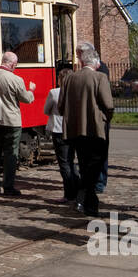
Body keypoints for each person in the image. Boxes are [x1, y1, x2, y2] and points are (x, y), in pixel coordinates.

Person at [61, 46, 113, 216]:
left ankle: (88, 202)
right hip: (95, 129)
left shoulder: (68, 78)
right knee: (95, 166)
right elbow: (108, 104)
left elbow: (61, 106)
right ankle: (85, 199)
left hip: (75, 130)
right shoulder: (100, 77)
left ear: (82, 62)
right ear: (95, 63)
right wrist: (105, 118)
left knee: (84, 165)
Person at [0, 51, 36, 196]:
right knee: (11, 154)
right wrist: (31, 90)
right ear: (13, 64)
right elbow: (26, 99)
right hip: (11, 120)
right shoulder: (15, 79)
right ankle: (8, 186)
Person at [76, 42, 111, 193]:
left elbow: (106, 101)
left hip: (97, 119)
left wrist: (105, 118)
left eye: (79, 55)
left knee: (99, 152)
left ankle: (99, 181)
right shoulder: (80, 73)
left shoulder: (100, 70)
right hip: (91, 118)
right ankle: (90, 181)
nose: (77, 58)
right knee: (89, 152)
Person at [42, 66, 79, 197]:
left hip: (58, 129)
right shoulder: (77, 92)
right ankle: (77, 187)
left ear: (60, 79)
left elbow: (46, 110)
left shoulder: (54, 92)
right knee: (71, 160)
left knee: (64, 162)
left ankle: (69, 193)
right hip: (74, 129)